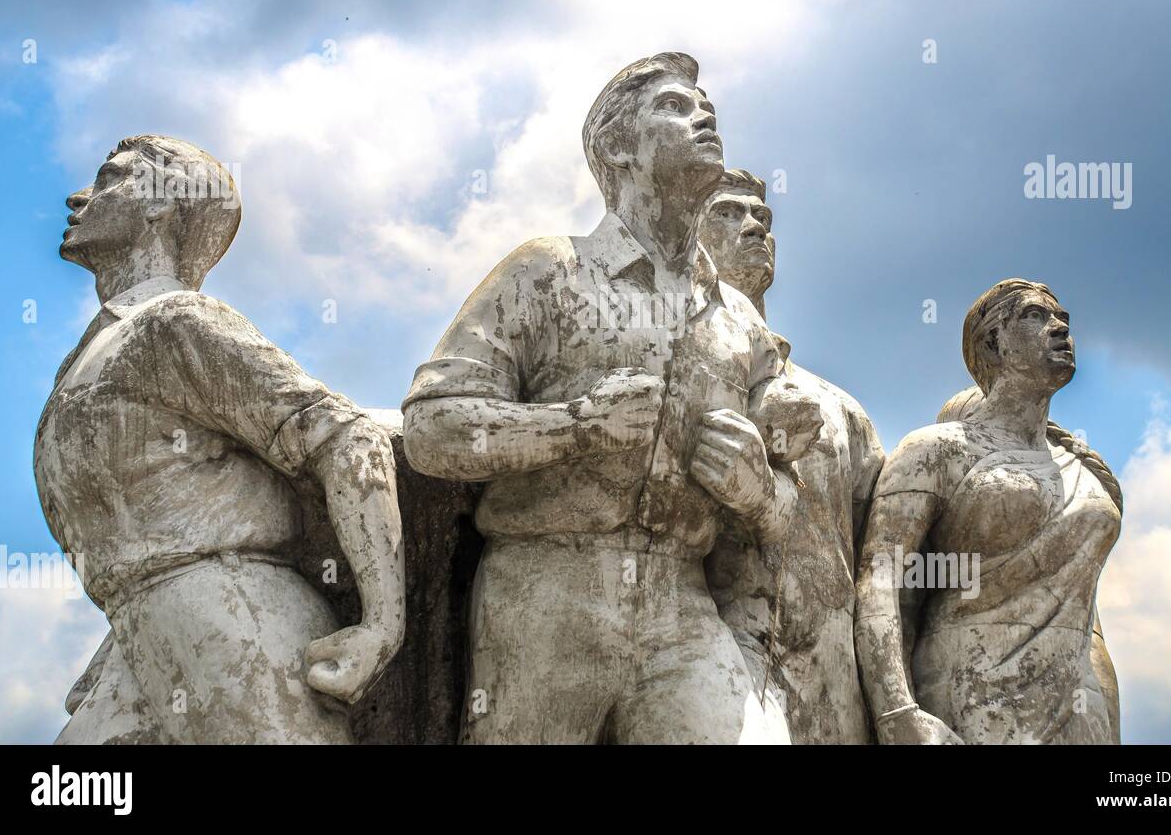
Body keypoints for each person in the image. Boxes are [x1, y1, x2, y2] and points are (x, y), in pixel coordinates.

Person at [402, 54, 800, 743]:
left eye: (706, 104)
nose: (704, 113)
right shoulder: (548, 270)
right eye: (675, 106)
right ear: (618, 146)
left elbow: (788, 504)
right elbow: (431, 426)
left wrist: (760, 491)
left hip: (684, 604)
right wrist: (577, 426)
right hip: (548, 586)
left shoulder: (741, 319)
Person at [37, 135, 405, 743]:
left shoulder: (176, 323)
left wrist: (383, 624)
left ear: (160, 205)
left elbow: (349, 440)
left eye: (110, 179)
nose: (81, 197)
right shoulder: (92, 353)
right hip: (143, 641)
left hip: (236, 630)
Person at [855, 279, 1122, 744]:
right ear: (993, 342)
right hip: (973, 693)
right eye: (1036, 317)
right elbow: (880, 583)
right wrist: (896, 711)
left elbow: (1089, 624)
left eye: (1064, 320)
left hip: (1082, 707)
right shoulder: (936, 450)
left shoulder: (1089, 474)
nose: (1060, 329)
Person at [698, 168, 885, 744]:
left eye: (764, 217)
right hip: (714, 650)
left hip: (832, 672)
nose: (755, 225)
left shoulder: (838, 407)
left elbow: (880, 552)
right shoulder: (675, 375)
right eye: (729, 212)